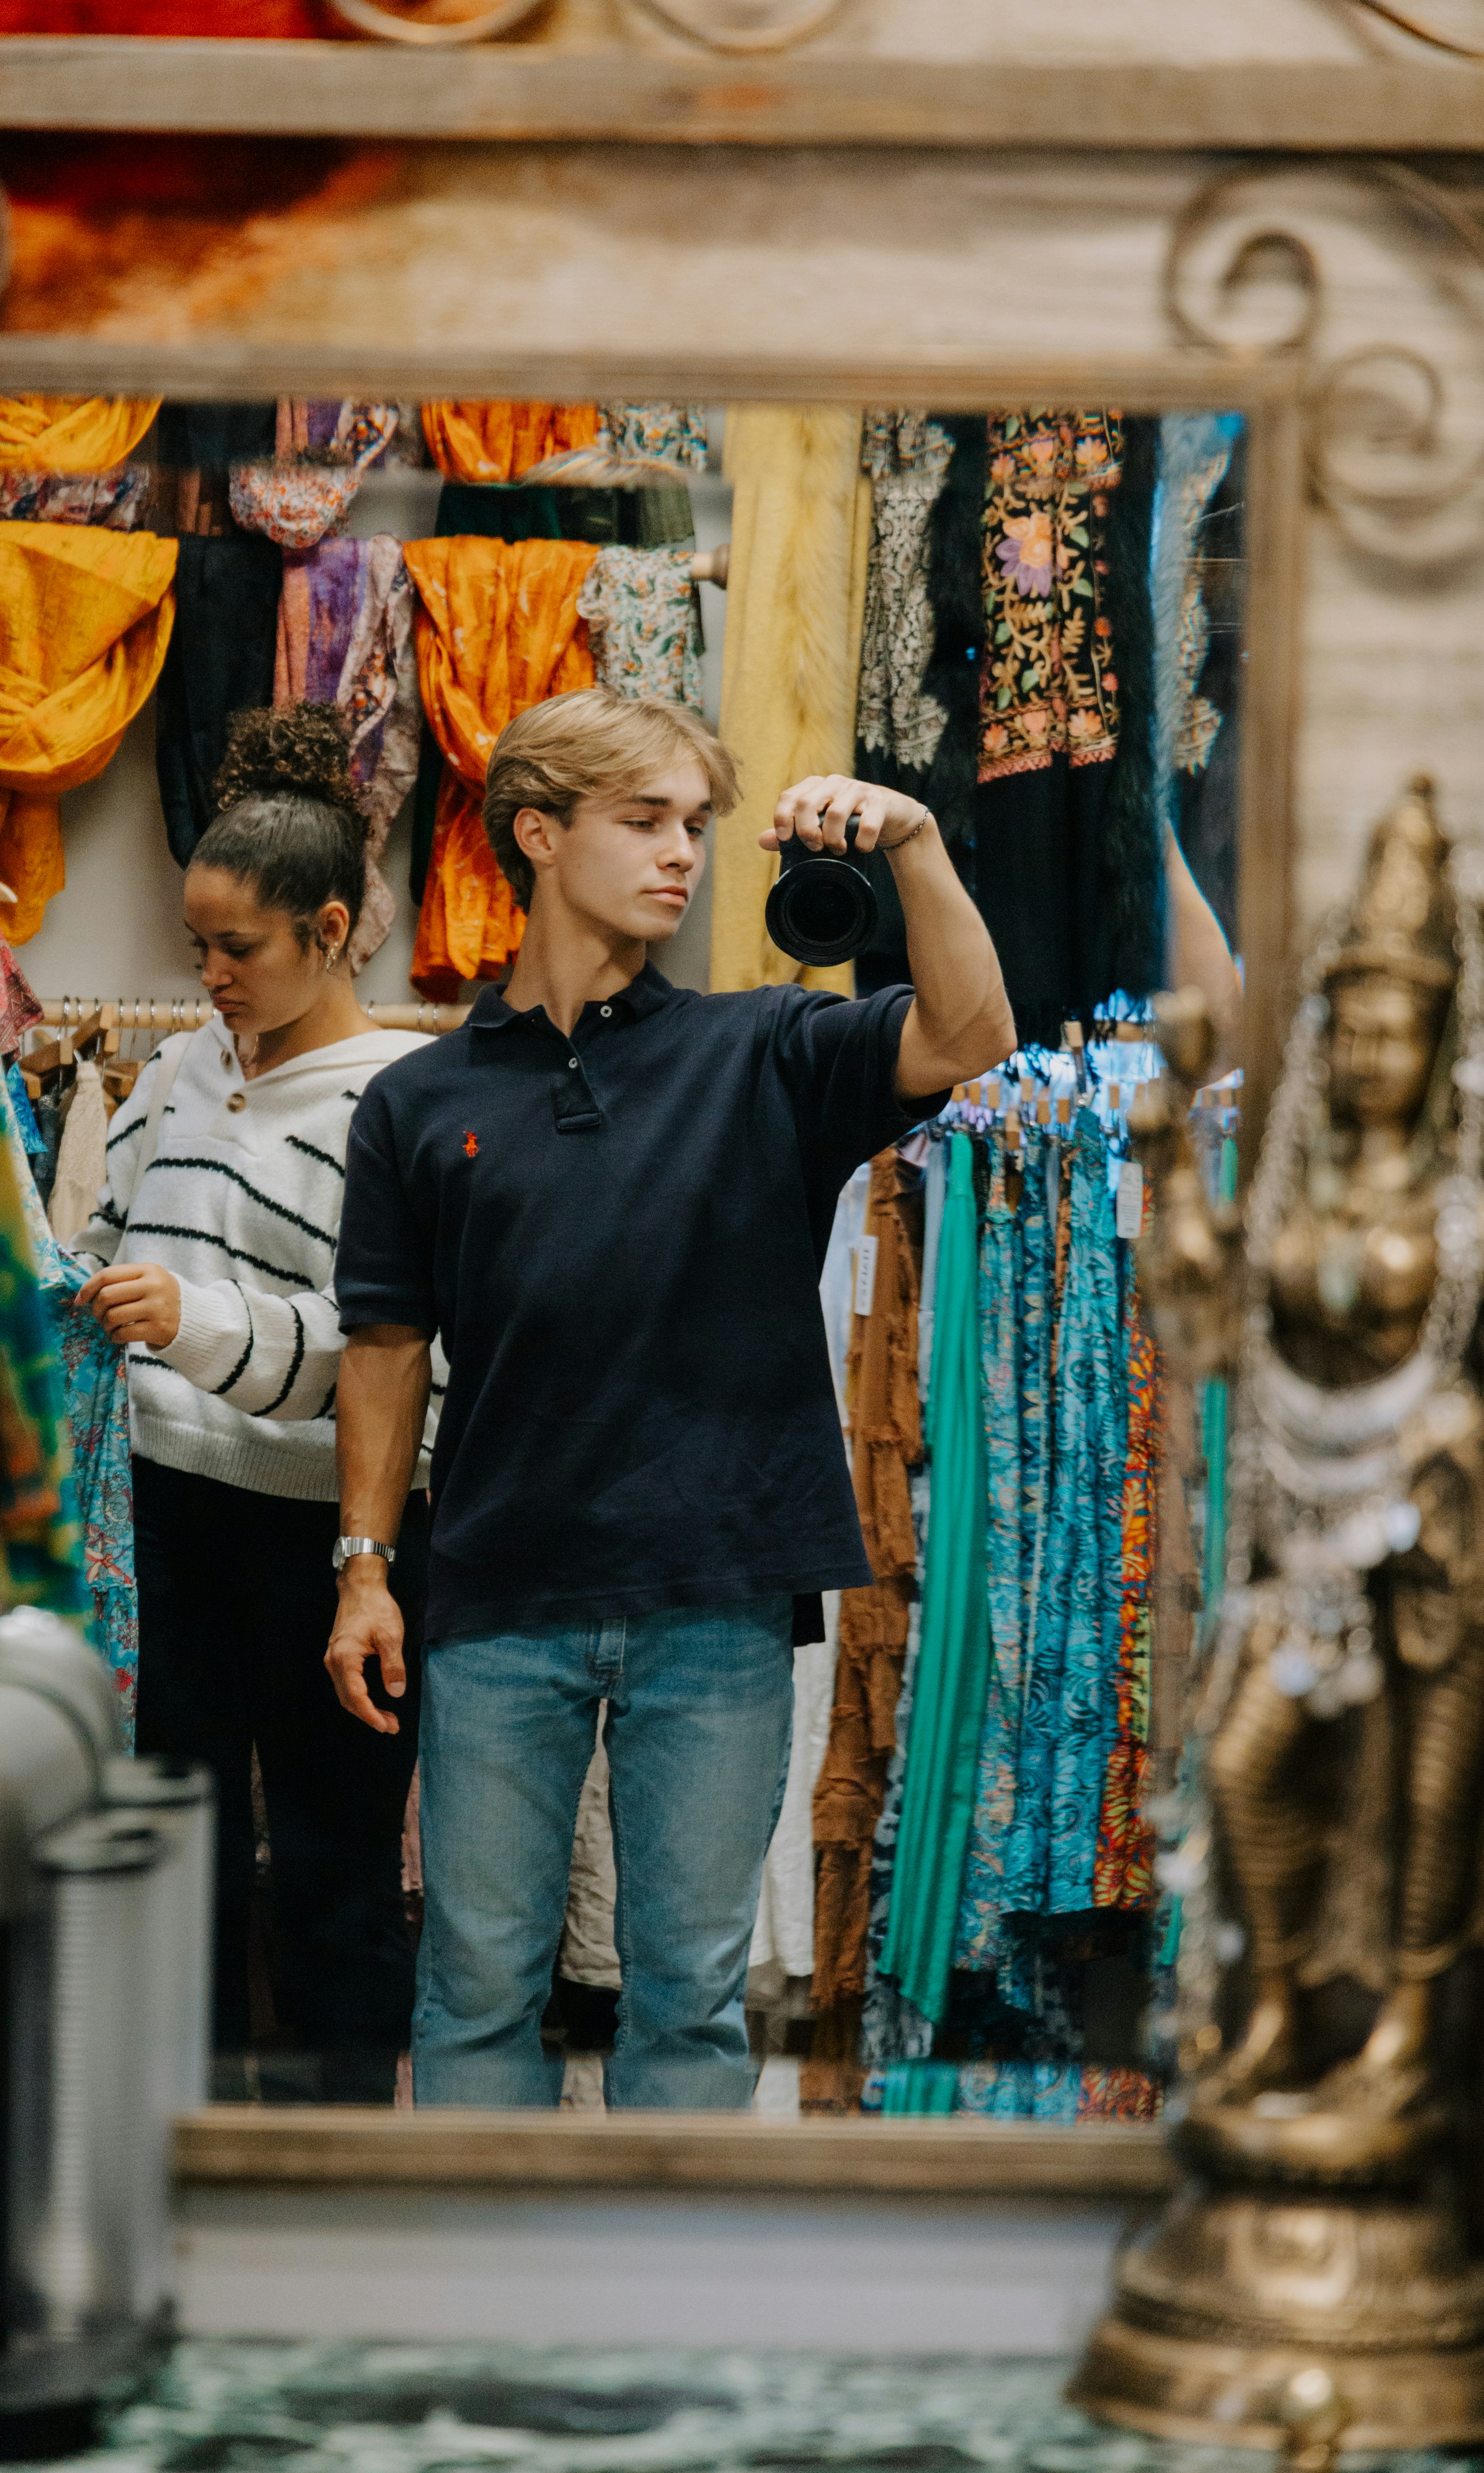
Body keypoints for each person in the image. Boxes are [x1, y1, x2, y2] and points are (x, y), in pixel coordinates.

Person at [326, 685, 1016, 2109]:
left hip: (713, 1590)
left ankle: (668, 2316)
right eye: (641, 821)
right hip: (497, 1591)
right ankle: (475, 2314)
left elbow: (968, 1037)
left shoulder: (761, 1046)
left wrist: (916, 842)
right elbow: (384, 1344)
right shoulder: (416, 1099)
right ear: (535, 832)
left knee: (688, 1996)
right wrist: (362, 1567)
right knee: (469, 1987)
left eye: (694, 825)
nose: (681, 854)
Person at [72, 705, 436, 2103]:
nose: (209, 974)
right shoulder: (174, 1070)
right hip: (165, 1515)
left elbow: (395, 1345)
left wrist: (196, 1321)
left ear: (330, 927)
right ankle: (181, 2139)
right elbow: (109, 1239)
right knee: (180, 1847)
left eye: (239, 949)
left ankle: (339, 2160)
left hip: (329, 1539)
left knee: (341, 1865)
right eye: (197, 946)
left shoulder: (401, 1097)